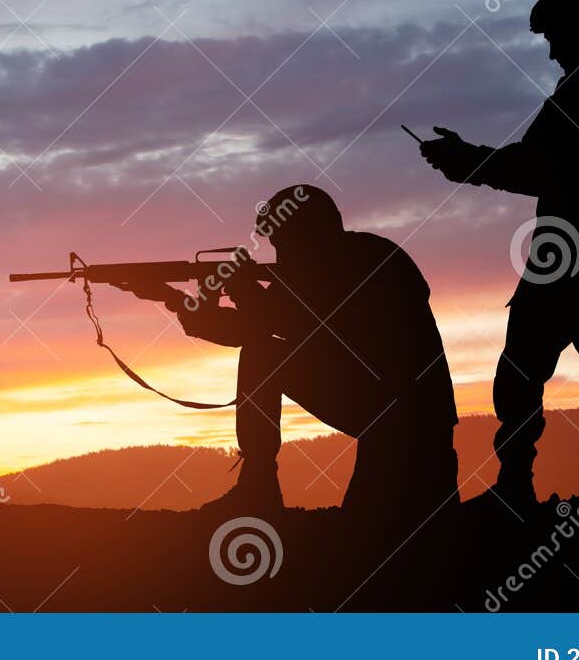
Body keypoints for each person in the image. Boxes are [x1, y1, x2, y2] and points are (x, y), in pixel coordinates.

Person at [418, 0, 579, 504]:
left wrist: (467, 161)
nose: (551, 50)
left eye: (555, 35)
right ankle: (530, 487)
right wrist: (470, 160)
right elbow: (541, 167)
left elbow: (538, 169)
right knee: (540, 378)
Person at [115, 185, 458, 525]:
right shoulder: (330, 263)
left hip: (406, 415)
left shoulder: (361, 262)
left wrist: (242, 289)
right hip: (388, 413)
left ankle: (258, 487)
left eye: (280, 242)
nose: (277, 252)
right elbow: (249, 327)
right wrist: (173, 298)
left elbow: (282, 322)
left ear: (306, 235)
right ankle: (257, 484)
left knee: (264, 356)